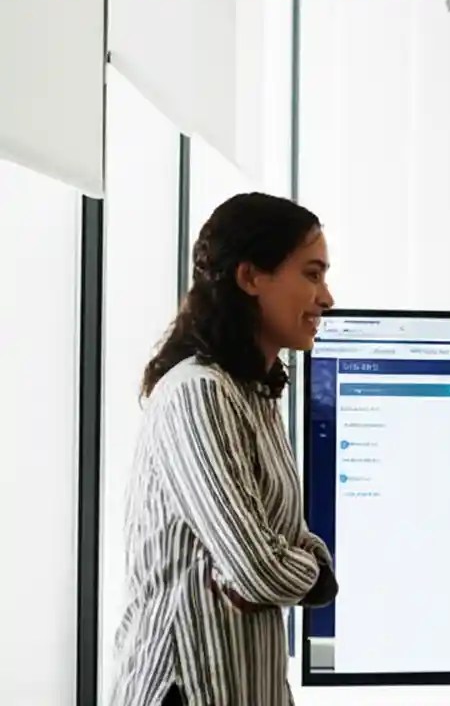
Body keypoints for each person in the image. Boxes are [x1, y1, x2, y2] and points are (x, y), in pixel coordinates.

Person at [109, 193, 339, 706]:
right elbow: (258, 567)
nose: (326, 297)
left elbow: (281, 549)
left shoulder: (252, 396)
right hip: (187, 689)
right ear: (251, 277)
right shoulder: (199, 392)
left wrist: (286, 562)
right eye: (311, 274)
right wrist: (309, 572)